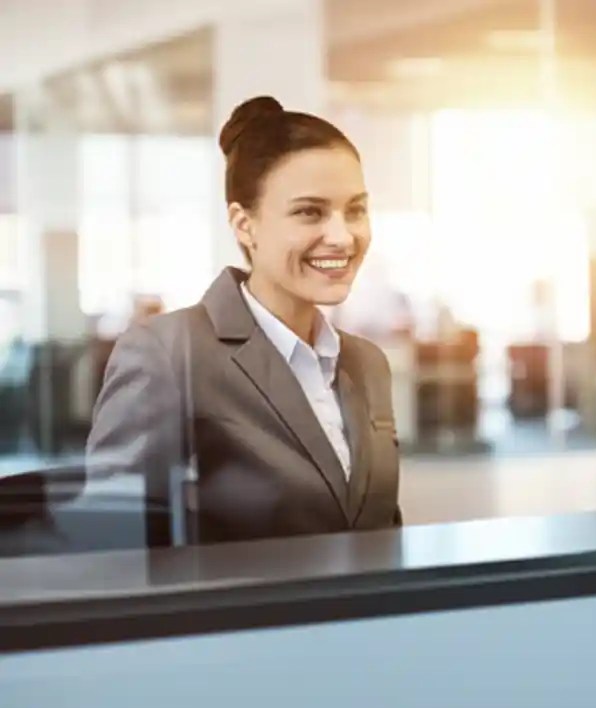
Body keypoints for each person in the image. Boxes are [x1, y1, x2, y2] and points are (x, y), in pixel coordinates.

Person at [87, 96, 402, 545]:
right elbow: (110, 545)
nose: (342, 236)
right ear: (244, 224)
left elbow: (382, 528)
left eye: (355, 209)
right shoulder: (170, 354)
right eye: (309, 212)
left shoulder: (366, 364)